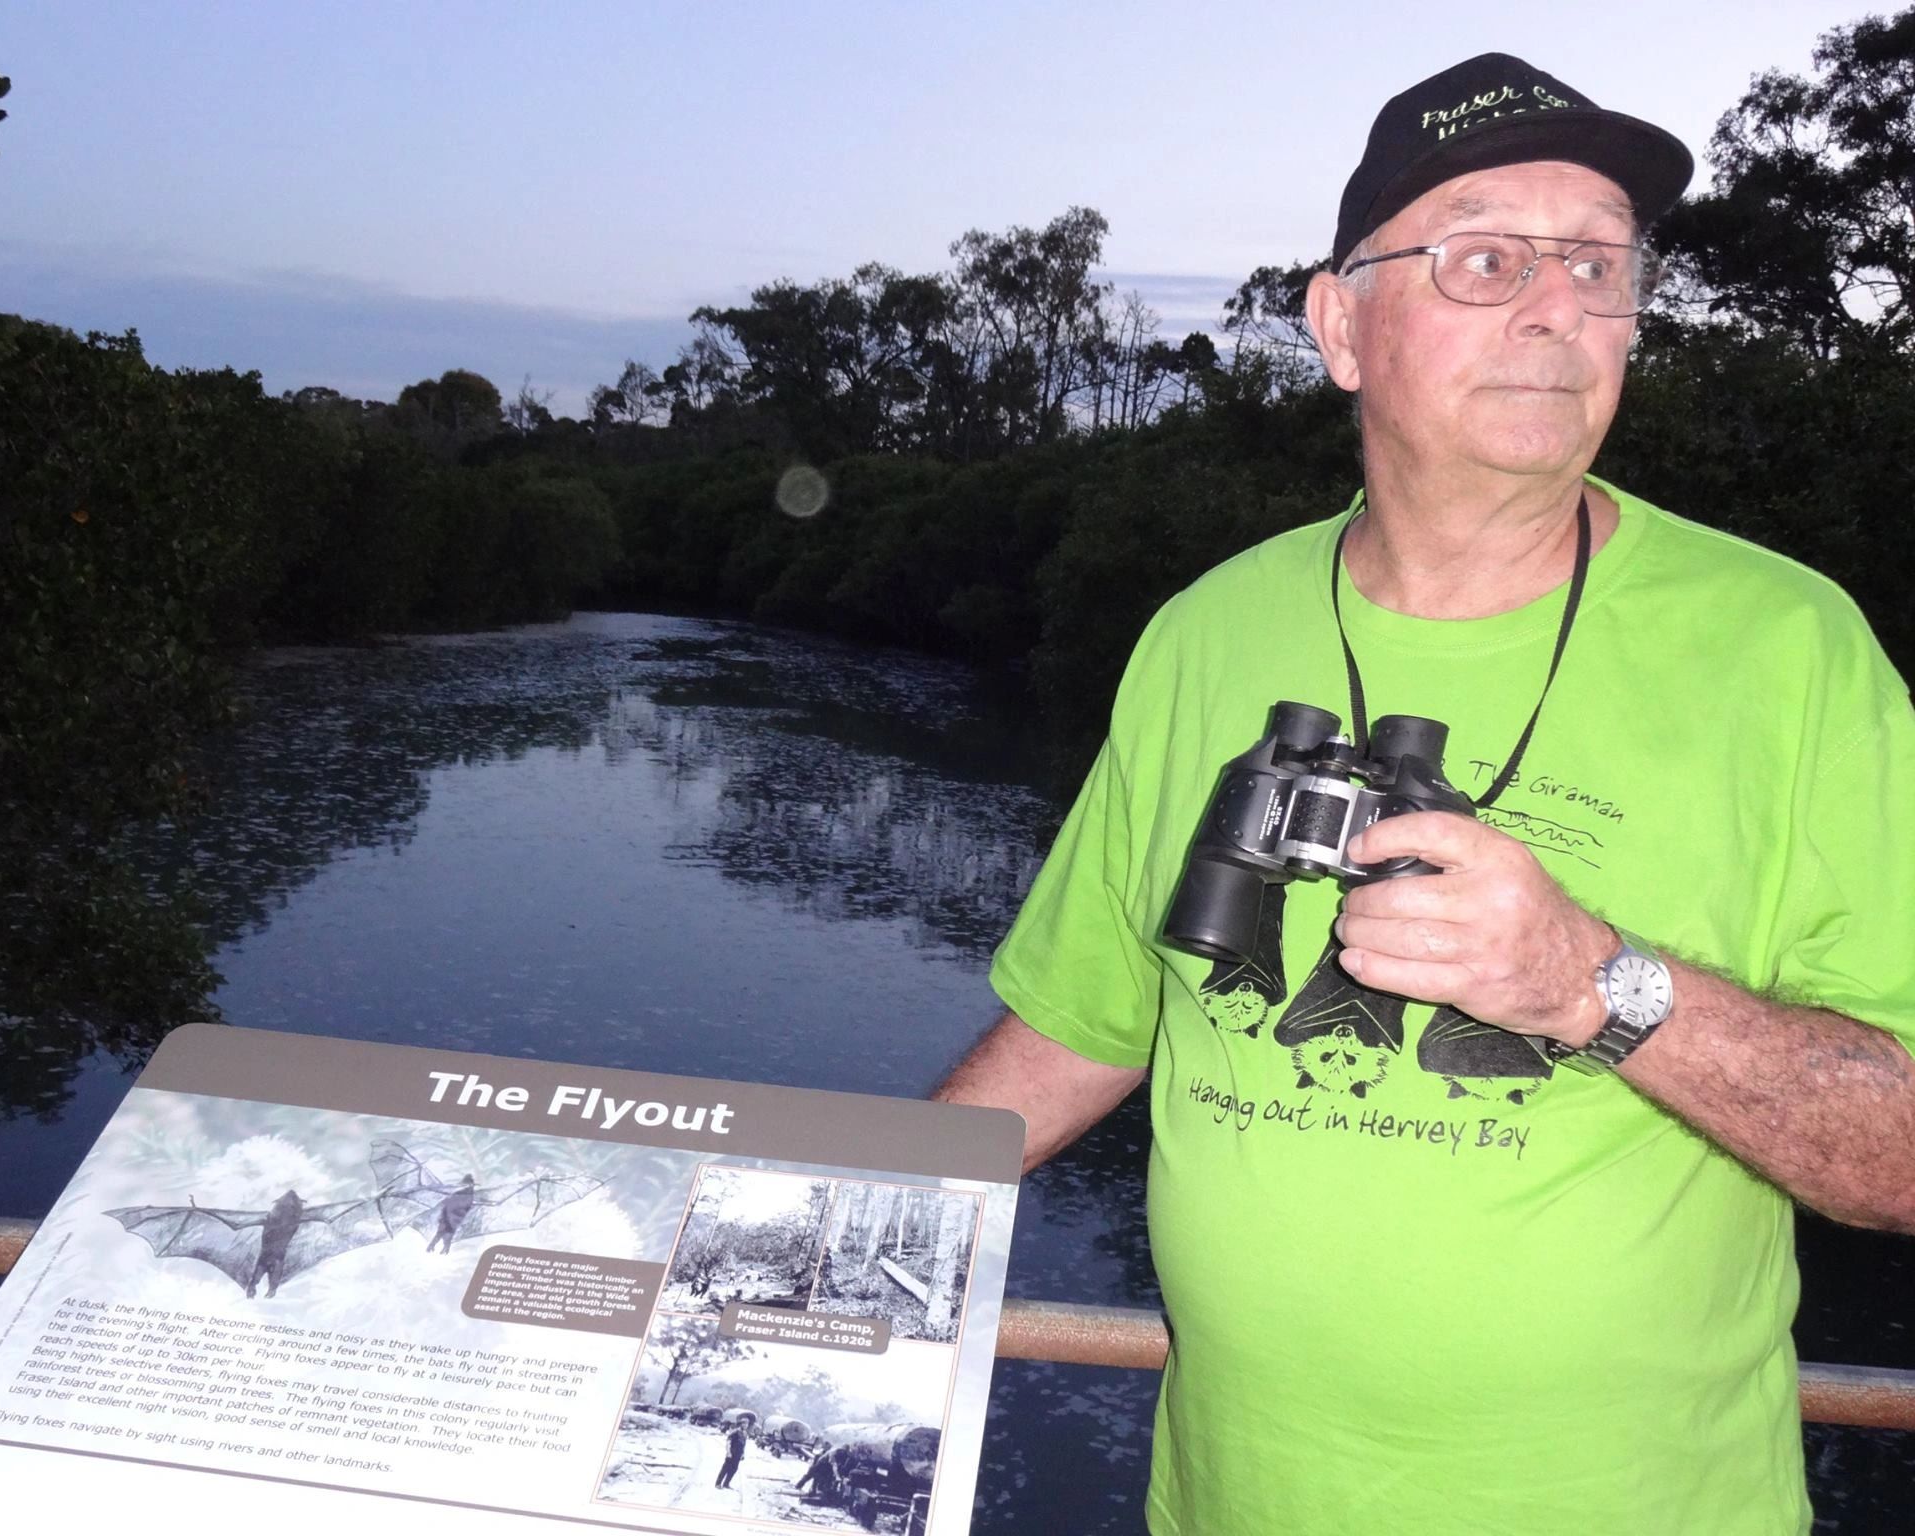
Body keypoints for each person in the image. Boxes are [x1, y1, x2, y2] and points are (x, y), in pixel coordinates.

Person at [936, 51, 1915, 1536]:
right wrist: (811, 1206)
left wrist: (1594, 983)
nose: (1556, 306)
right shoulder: (1206, 629)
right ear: (1340, 323)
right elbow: (1089, 1018)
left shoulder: (1792, 649)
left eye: (1596, 264)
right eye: (1486, 259)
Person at [715, 1419, 749, 1490]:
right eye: (744, 1424)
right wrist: (728, 1452)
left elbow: (743, 1445)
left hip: (738, 1455)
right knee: (725, 1468)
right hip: (731, 1453)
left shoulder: (745, 1433)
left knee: (733, 1470)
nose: (746, 1425)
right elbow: (728, 1442)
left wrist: (742, 1454)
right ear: (741, 1424)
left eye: (747, 1424)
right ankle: (718, 1483)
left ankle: (726, 1483)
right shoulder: (735, 1432)